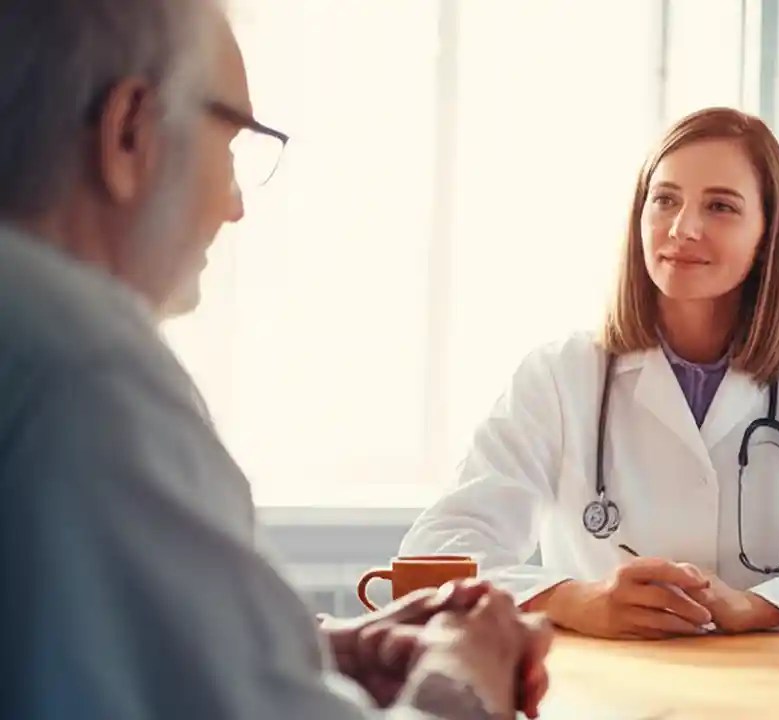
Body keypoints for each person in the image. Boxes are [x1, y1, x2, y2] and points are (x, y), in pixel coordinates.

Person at [0, 1, 551, 718]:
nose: (234, 206)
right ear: (130, 130)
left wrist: (308, 653)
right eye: (233, 142)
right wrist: (468, 676)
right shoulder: (85, 367)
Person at [400, 107, 779, 640]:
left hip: (765, 685)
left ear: (766, 237)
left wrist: (758, 606)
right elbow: (439, 549)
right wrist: (573, 599)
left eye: (721, 207)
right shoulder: (559, 374)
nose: (683, 229)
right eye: (665, 200)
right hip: (600, 684)